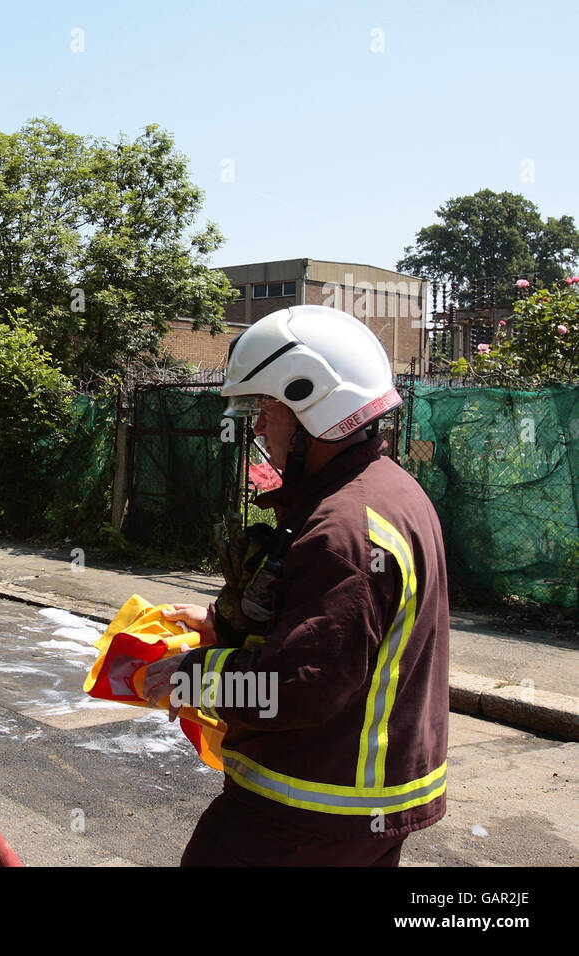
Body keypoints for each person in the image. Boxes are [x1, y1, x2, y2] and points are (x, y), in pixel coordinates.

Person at [140, 304, 450, 866]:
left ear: (313, 401)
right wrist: (220, 624)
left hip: (308, 809)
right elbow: (348, 632)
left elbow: (302, 685)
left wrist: (191, 677)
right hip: (356, 806)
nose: (258, 425)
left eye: (268, 407)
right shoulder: (384, 490)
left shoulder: (345, 528)